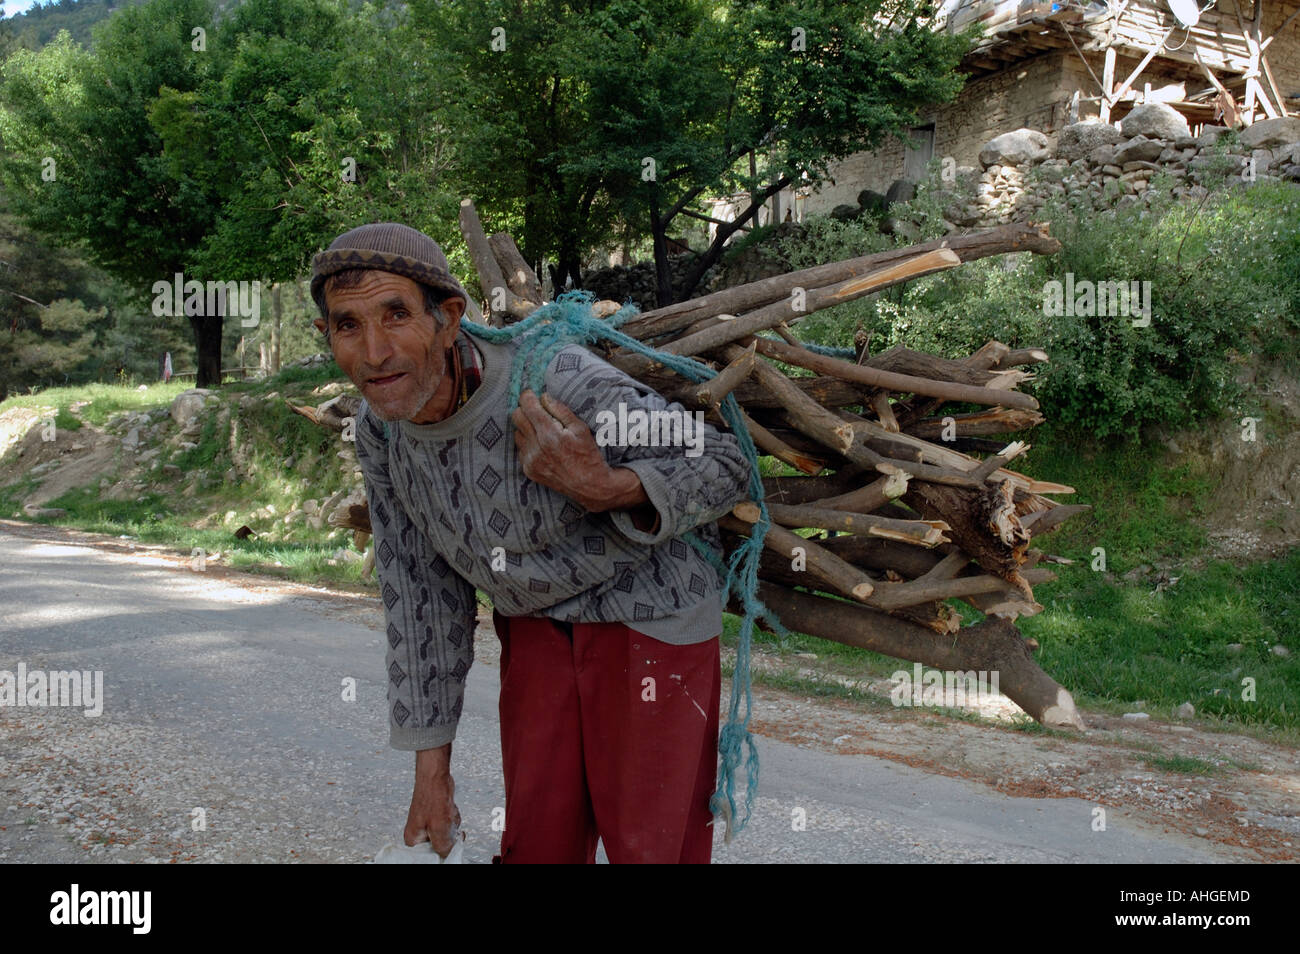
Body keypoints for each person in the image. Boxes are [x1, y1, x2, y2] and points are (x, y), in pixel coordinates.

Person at [310, 223, 751, 863]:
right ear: (328, 336)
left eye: (397, 315)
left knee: (650, 848)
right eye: (348, 326)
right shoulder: (383, 433)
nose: (375, 351)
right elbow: (418, 596)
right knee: (539, 846)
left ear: (449, 318)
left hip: (649, 616)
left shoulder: (558, 381)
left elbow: (724, 462)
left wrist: (607, 486)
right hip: (535, 623)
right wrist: (431, 777)